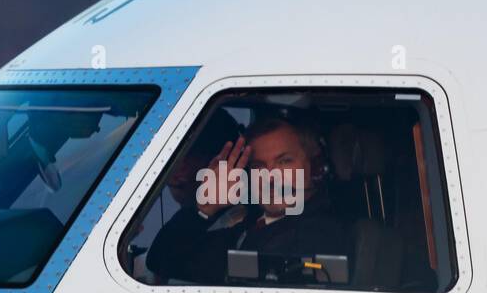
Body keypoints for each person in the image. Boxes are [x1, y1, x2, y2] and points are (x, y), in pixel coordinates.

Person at [146, 115, 350, 284]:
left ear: (315, 167)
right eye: (259, 166)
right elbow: (160, 259)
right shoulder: (255, 224)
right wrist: (204, 208)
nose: (271, 176)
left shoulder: (317, 234)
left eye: (284, 161)